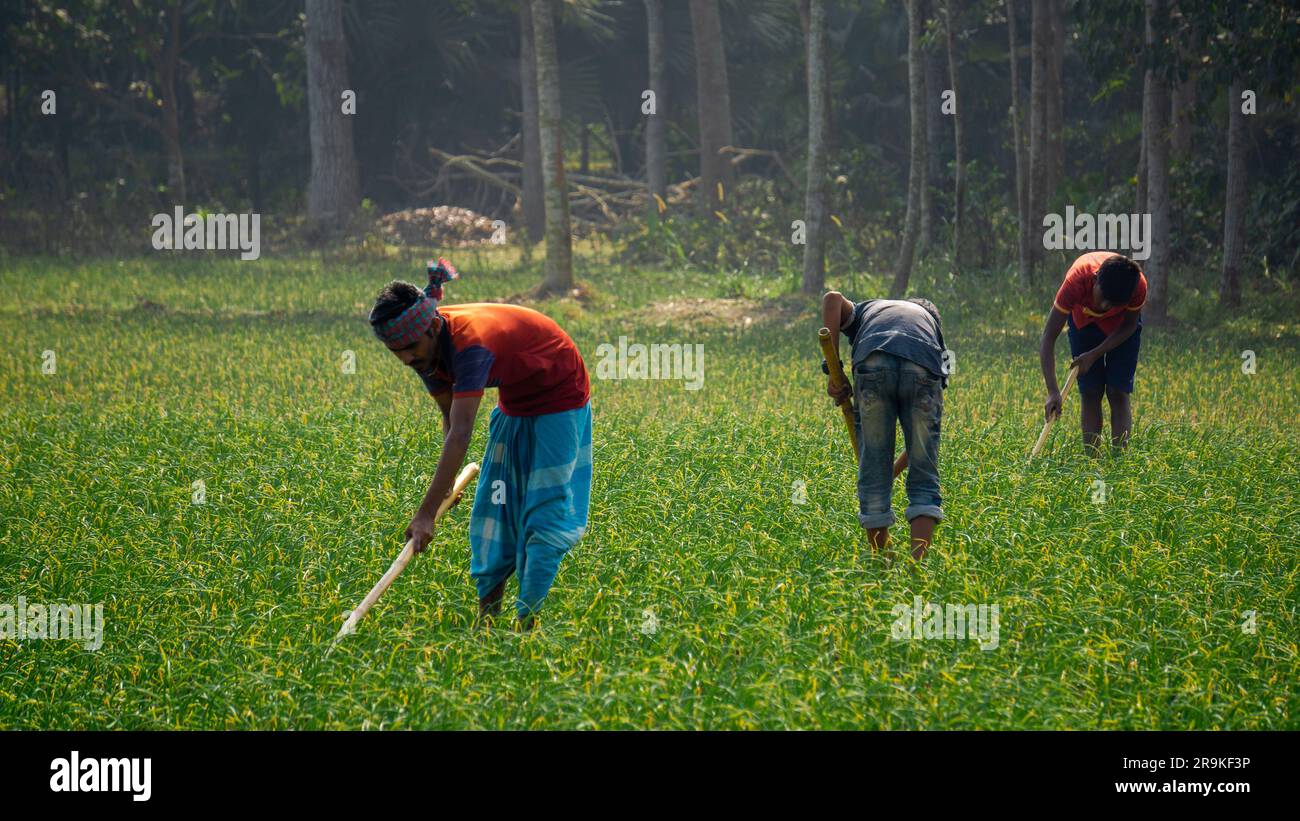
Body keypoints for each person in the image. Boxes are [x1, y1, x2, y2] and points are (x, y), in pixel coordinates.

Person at [369, 258, 593, 629]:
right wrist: (443, 492)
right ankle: (487, 625)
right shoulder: (425, 355)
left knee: (542, 515)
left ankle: (527, 627)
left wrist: (425, 513)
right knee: (495, 509)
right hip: (516, 402)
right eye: (398, 352)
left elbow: (462, 432)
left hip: (560, 396)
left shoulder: (469, 344)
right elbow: (449, 418)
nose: (406, 358)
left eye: (410, 347)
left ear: (430, 328)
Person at [822, 292, 947, 560]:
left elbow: (831, 298)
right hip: (923, 365)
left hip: (873, 361)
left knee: (874, 477)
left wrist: (834, 370)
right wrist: (835, 371)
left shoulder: (868, 310)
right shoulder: (931, 329)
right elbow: (920, 447)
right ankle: (918, 568)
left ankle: (882, 563)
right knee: (924, 476)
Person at [1039, 252, 1146, 453]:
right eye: (1104, 299)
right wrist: (1053, 391)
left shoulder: (1137, 285)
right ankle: (1091, 462)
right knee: (1090, 391)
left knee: (1118, 391)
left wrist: (1095, 354)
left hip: (1121, 331)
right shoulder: (1076, 281)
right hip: (1084, 326)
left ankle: (1119, 462)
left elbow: (1130, 324)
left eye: (1114, 304)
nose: (1105, 307)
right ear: (1095, 280)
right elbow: (1048, 337)